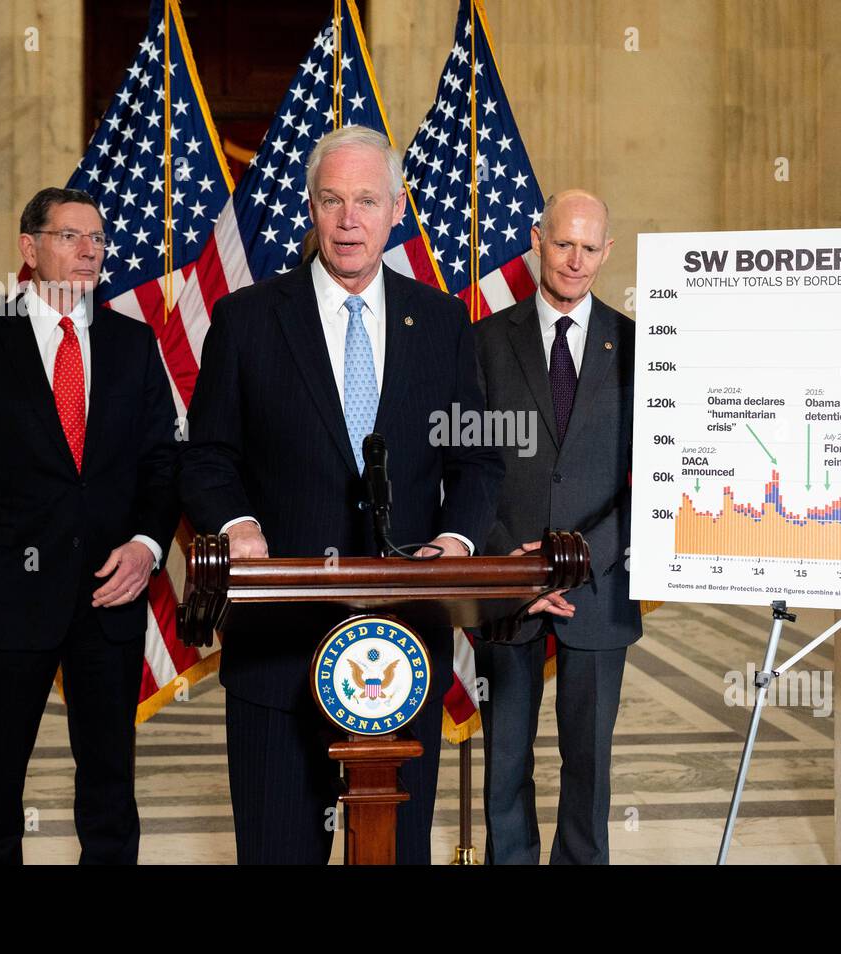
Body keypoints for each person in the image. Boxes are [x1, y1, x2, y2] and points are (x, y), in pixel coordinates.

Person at [180, 125, 503, 865]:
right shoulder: (247, 319)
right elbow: (206, 458)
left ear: (396, 210)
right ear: (312, 208)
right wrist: (237, 523)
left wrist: (454, 544)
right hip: (276, 656)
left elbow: (479, 460)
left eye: (365, 200)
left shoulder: (445, 323)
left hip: (401, 653)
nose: (348, 219)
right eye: (332, 200)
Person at [0, 187, 181, 864]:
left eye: (96, 238)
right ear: (30, 248)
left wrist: (148, 546)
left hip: (108, 597)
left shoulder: (133, 342)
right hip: (5, 600)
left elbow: (162, 463)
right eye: (70, 236)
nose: (89, 250)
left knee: (110, 788)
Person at [472, 189, 639, 864]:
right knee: (504, 764)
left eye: (589, 247)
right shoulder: (482, 341)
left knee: (588, 767)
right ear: (537, 238)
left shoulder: (637, 348)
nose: (574, 261)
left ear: (607, 252)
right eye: (562, 243)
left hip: (598, 588)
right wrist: (508, 567)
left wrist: (580, 557)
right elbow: (461, 467)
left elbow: (659, 480)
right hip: (507, 586)